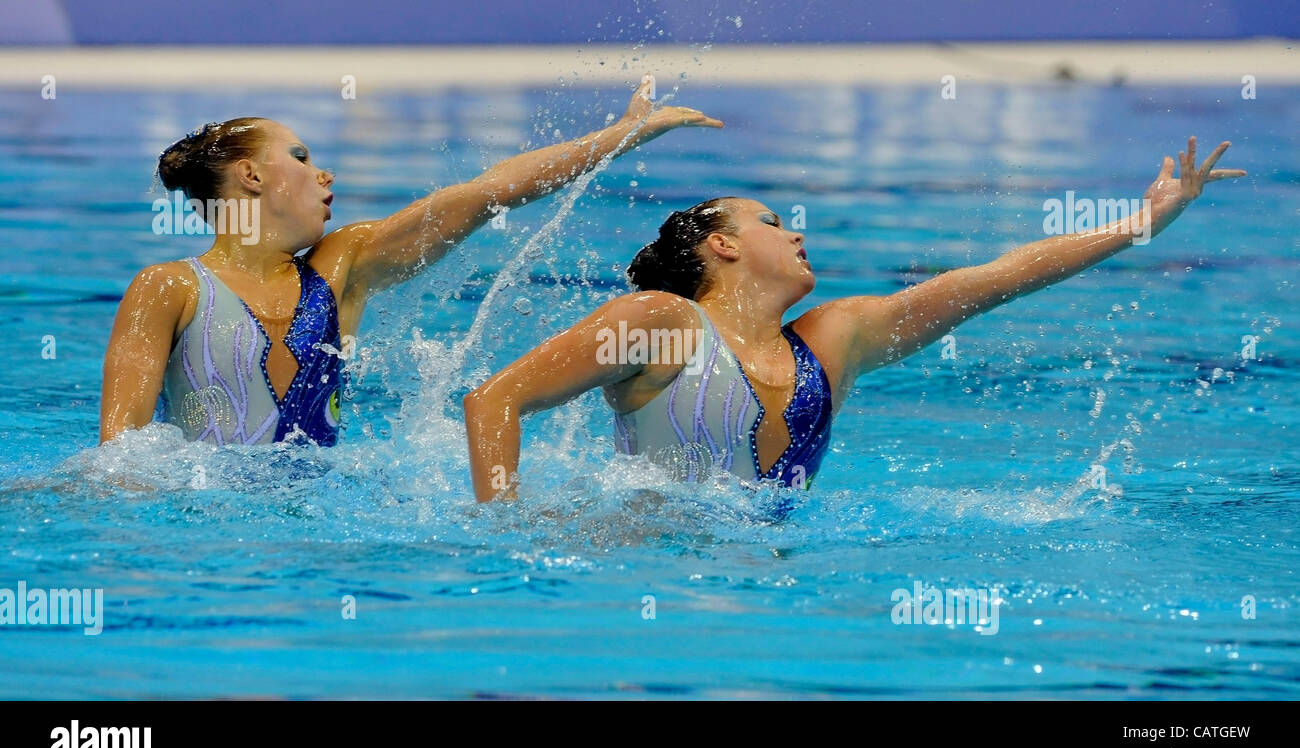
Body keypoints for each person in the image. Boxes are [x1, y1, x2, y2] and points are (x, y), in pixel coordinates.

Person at [464, 137, 1245, 502]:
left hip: (768, 602)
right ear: (723, 245)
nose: (796, 231)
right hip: (634, 588)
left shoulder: (835, 341)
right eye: (772, 221)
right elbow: (494, 400)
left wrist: (1141, 223)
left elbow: (993, 281)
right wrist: (505, 543)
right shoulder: (662, 322)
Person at [99, 76, 721, 446]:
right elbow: (120, 456)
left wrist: (623, 134)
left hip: (318, 523)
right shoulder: (168, 287)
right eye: (302, 155)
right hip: (206, 530)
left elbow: (491, 191)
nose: (324, 172)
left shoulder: (340, 266)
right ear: (253, 175)